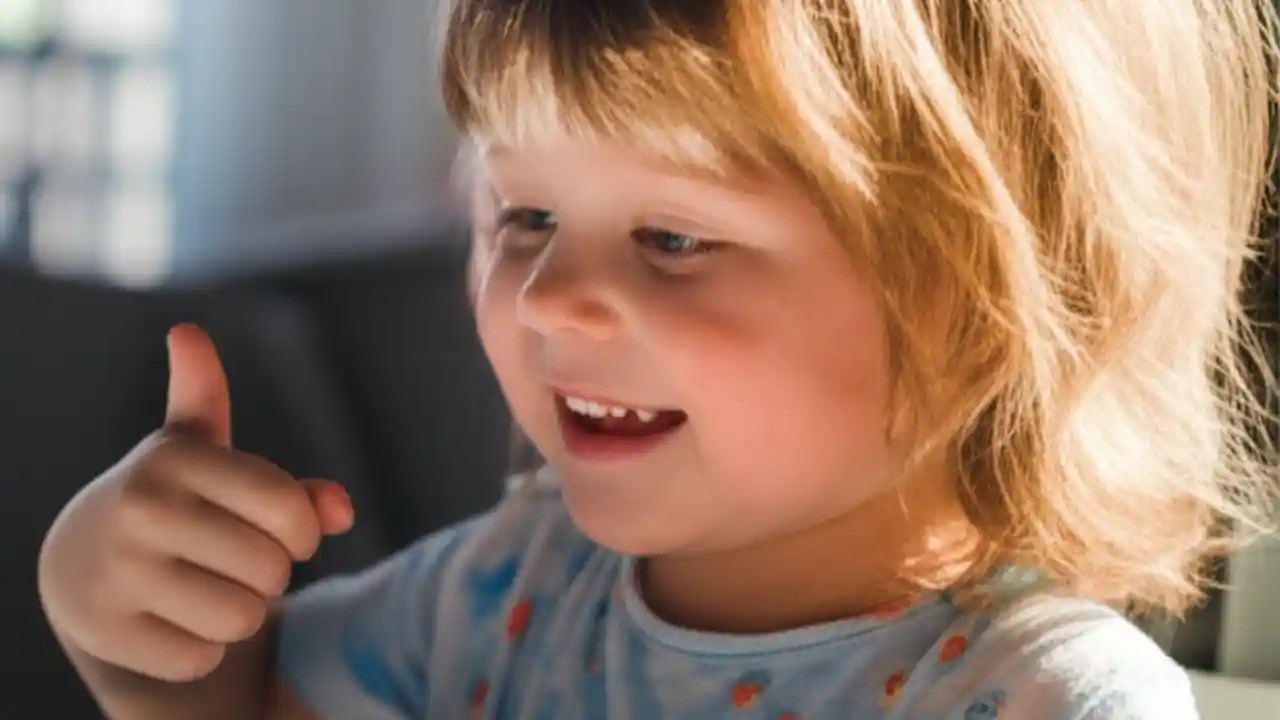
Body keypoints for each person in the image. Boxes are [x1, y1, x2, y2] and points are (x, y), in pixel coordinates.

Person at [37, 1, 1280, 718]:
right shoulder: (510, 589)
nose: (548, 299)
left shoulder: (1047, 699)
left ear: (982, 301)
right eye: (527, 216)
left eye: (673, 238)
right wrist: (138, 627)